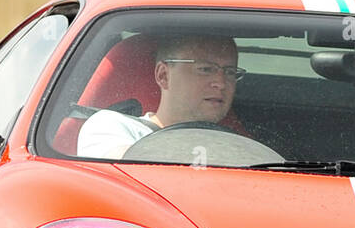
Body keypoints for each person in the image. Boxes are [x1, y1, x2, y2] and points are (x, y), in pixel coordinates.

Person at [77, 34, 244, 158]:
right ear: (163, 75)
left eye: (230, 72)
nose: (221, 83)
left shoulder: (240, 148)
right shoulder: (113, 127)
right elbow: (123, 177)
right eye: (206, 69)